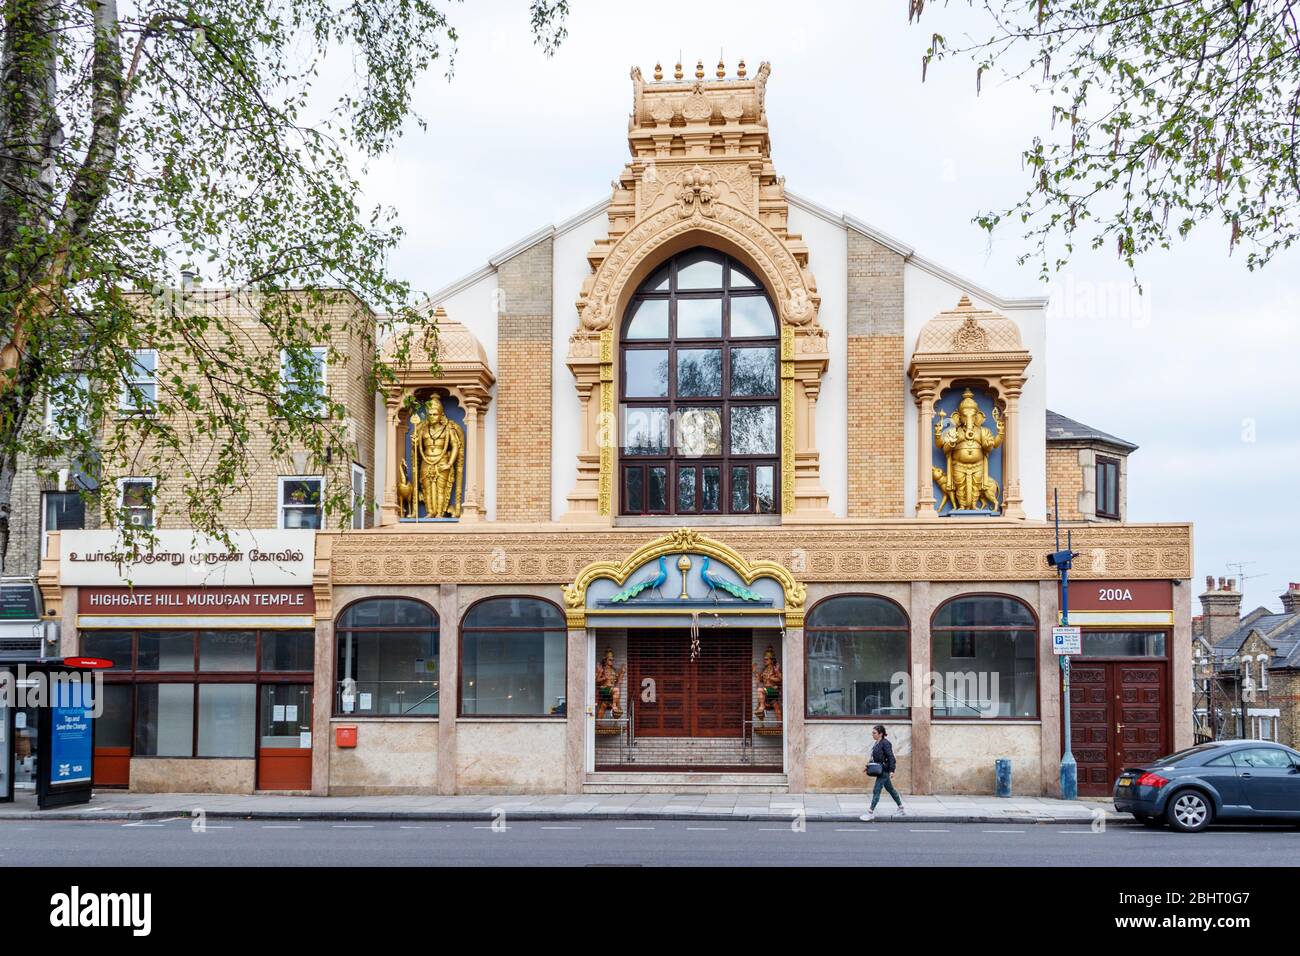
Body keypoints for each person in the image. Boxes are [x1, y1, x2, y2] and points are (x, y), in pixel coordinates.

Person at [860, 724, 906, 821]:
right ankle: (901, 808)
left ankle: (870, 812)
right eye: (872, 733)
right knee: (891, 789)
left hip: (884, 771)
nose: (872, 734)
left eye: (874, 733)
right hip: (880, 770)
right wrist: (868, 767)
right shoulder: (877, 743)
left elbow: (891, 757)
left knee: (876, 790)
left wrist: (892, 770)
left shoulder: (885, 743)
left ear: (880, 734)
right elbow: (875, 757)